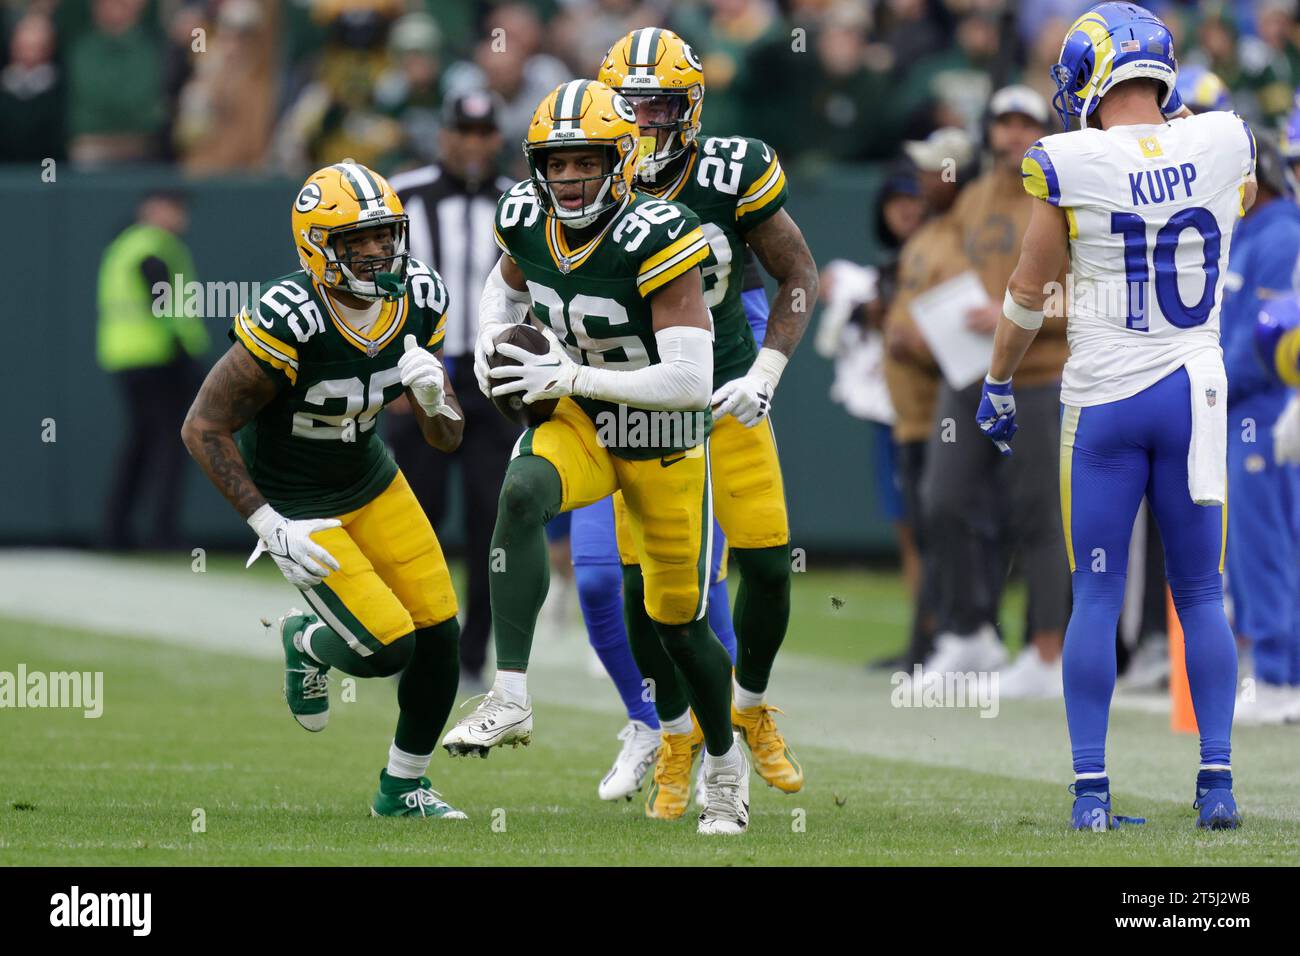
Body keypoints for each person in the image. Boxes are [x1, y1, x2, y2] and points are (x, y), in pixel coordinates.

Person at [441, 80, 751, 835]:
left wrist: (569, 375)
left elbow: (689, 379)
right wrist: (489, 339)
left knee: (678, 624)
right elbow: (502, 287)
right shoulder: (524, 215)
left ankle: (723, 764)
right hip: (582, 421)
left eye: (585, 161)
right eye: (556, 162)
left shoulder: (658, 231)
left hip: (662, 437)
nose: (570, 178)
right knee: (518, 496)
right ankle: (510, 692)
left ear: (619, 159)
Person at [977, 3, 1253, 830]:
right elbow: (1226, 190)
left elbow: (1030, 286)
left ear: (1086, 80)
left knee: (1095, 595)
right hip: (1195, 391)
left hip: (1104, 398)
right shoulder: (1224, 137)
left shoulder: (1069, 158)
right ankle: (1217, 786)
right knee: (1200, 592)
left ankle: (1092, 795)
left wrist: (997, 378)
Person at [181, 162, 469, 819]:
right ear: (317, 245)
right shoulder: (291, 314)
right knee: (389, 645)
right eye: (354, 240)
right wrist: (268, 526)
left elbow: (446, 438)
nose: (374, 252)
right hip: (298, 503)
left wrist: (433, 399)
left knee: (440, 634)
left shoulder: (418, 297)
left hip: (370, 477)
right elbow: (202, 427)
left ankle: (402, 789)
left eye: (382, 235)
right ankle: (307, 640)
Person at [597, 28, 820, 815]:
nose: (648, 122)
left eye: (662, 106)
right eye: (633, 107)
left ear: (690, 108)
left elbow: (798, 272)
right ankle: (673, 730)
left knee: (765, 563)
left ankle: (750, 705)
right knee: (640, 587)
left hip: (723, 392)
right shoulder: (584, 184)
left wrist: (767, 370)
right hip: (641, 408)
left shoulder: (732, 169)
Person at [922, 85, 1071, 699]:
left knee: (1042, 515)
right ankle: (971, 632)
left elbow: (1087, 297)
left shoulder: (1064, 197)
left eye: (1025, 124)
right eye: (1004, 124)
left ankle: (1047, 653)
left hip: (1040, 378)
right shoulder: (974, 198)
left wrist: (1010, 315)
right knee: (944, 499)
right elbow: (943, 265)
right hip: (971, 378)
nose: (1013, 135)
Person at [386, 90, 518, 694]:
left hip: (495, 381)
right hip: (422, 376)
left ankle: (472, 654)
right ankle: (419, 644)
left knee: (494, 523)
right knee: (417, 518)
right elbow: (366, 287)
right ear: (444, 136)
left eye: (484, 131)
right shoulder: (401, 197)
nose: (473, 143)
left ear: (497, 138)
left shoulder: (518, 202)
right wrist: (385, 373)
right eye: (463, 131)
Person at [1221, 133, 1300, 725]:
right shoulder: (1243, 234)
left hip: (1264, 406)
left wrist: (1203, 382)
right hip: (1238, 406)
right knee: (1250, 544)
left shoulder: (1280, 234)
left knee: (1266, 540)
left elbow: (1263, 339)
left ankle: (1278, 673)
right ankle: (1271, 666)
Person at [98, 190, 207, 549]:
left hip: (125, 357)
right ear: (153, 209)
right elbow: (160, 298)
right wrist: (182, 349)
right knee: (170, 445)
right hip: (159, 359)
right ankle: (162, 533)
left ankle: (116, 529)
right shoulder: (152, 245)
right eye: (175, 209)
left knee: (142, 443)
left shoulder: (124, 245)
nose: (181, 218)